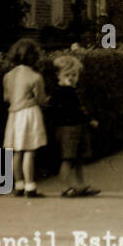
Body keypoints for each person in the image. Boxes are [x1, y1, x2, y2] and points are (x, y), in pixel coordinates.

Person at [2, 39, 49, 197]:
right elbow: (41, 99)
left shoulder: (8, 76)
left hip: (14, 114)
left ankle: (19, 185)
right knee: (30, 150)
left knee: (17, 151)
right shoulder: (35, 77)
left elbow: (6, 97)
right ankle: (30, 186)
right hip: (29, 113)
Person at [49, 54, 99, 198]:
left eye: (74, 75)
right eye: (67, 74)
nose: (71, 78)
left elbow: (80, 109)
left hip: (78, 128)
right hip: (67, 130)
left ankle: (81, 185)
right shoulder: (60, 92)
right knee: (67, 159)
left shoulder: (73, 91)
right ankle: (65, 187)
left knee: (79, 160)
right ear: (58, 75)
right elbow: (61, 110)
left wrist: (88, 119)